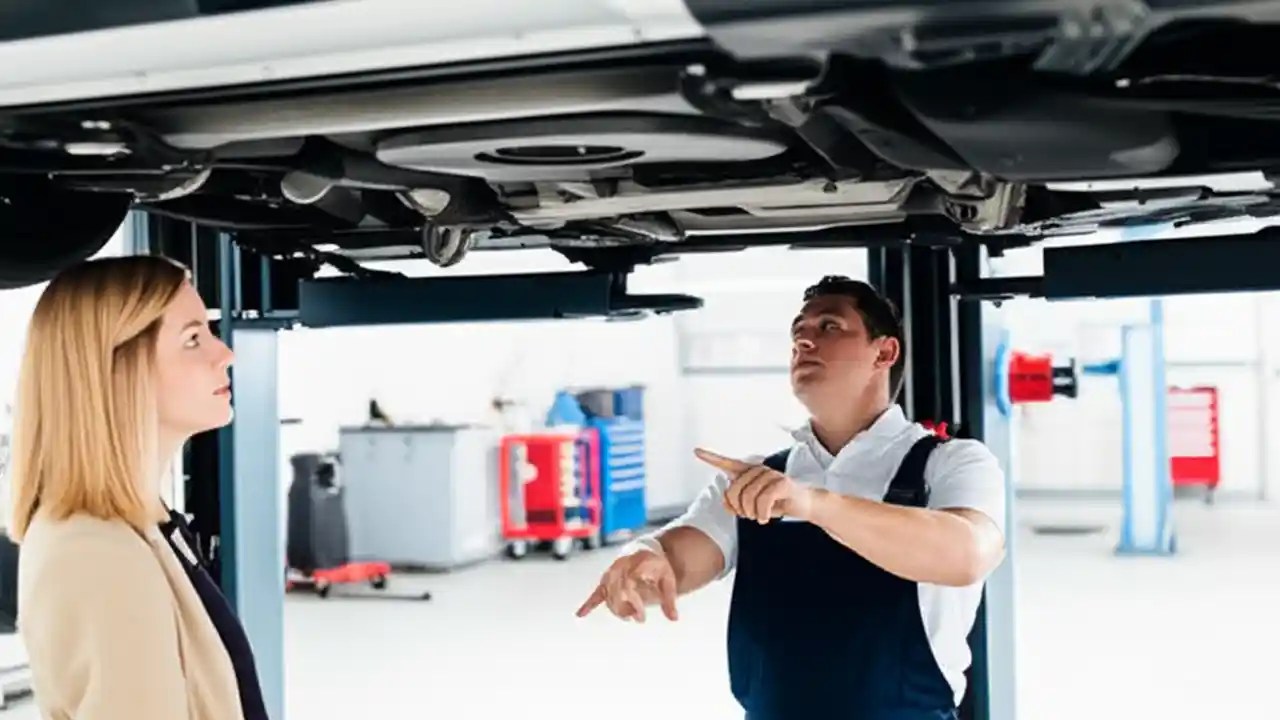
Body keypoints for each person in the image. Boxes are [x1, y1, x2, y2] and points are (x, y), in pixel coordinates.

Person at [577, 275, 1007, 720]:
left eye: (829, 327)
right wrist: (646, 556)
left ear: (884, 352)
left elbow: (967, 554)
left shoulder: (950, 463)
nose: (804, 341)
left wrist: (814, 505)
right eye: (798, 333)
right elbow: (679, 556)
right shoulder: (753, 479)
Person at [6, 255, 269, 720]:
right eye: (193, 339)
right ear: (118, 372)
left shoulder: (140, 527)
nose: (225, 353)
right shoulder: (95, 553)